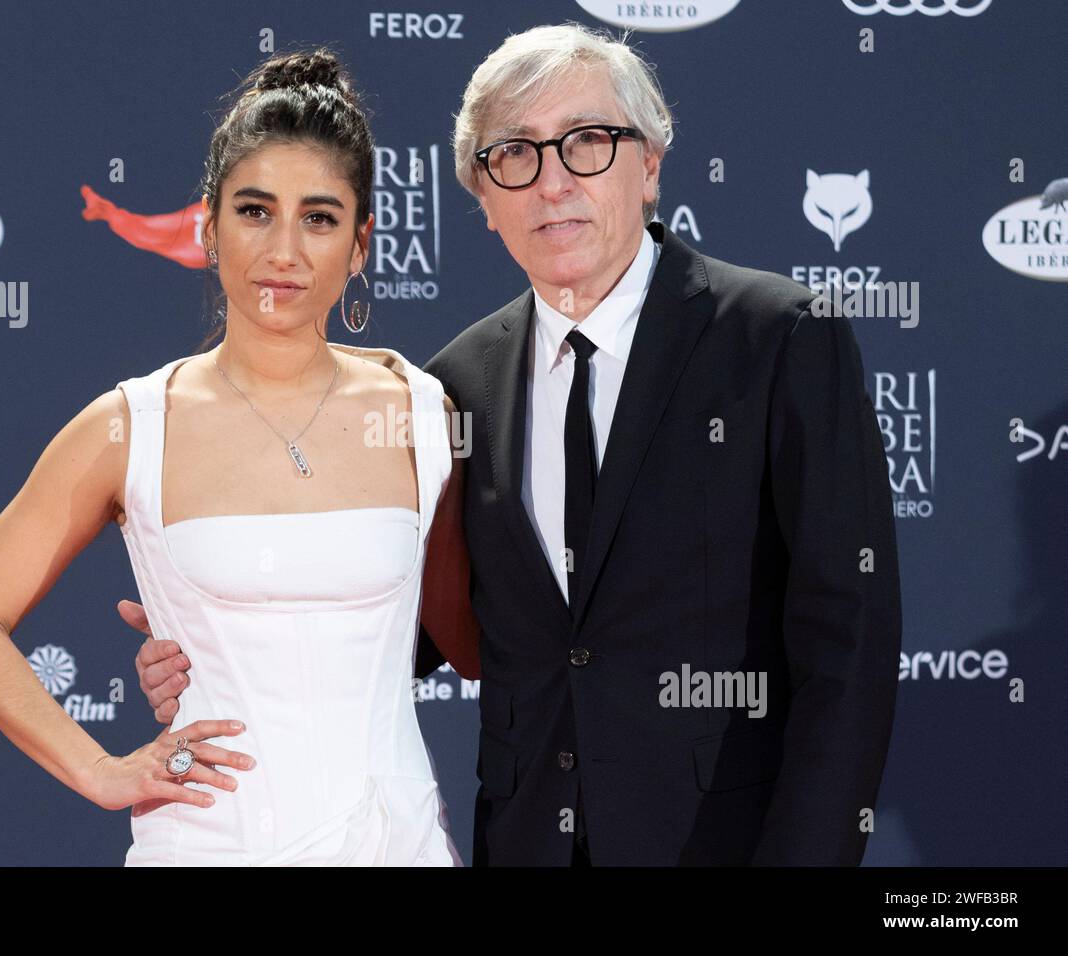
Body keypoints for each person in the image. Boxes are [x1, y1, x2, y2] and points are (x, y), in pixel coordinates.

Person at [132, 23, 902, 867]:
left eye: (587, 144)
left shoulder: (776, 339)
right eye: (515, 156)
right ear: (483, 199)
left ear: (649, 165)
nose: (552, 184)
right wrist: (216, 642)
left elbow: (848, 642)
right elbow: (402, 622)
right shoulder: (450, 387)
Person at [0, 48, 480, 866]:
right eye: (255, 211)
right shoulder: (131, 425)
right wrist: (99, 769)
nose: (284, 251)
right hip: (208, 843)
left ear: (361, 244)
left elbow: (460, 638)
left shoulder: (421, 413)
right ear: (208, 227)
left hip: (396, 843)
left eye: (320, 218)